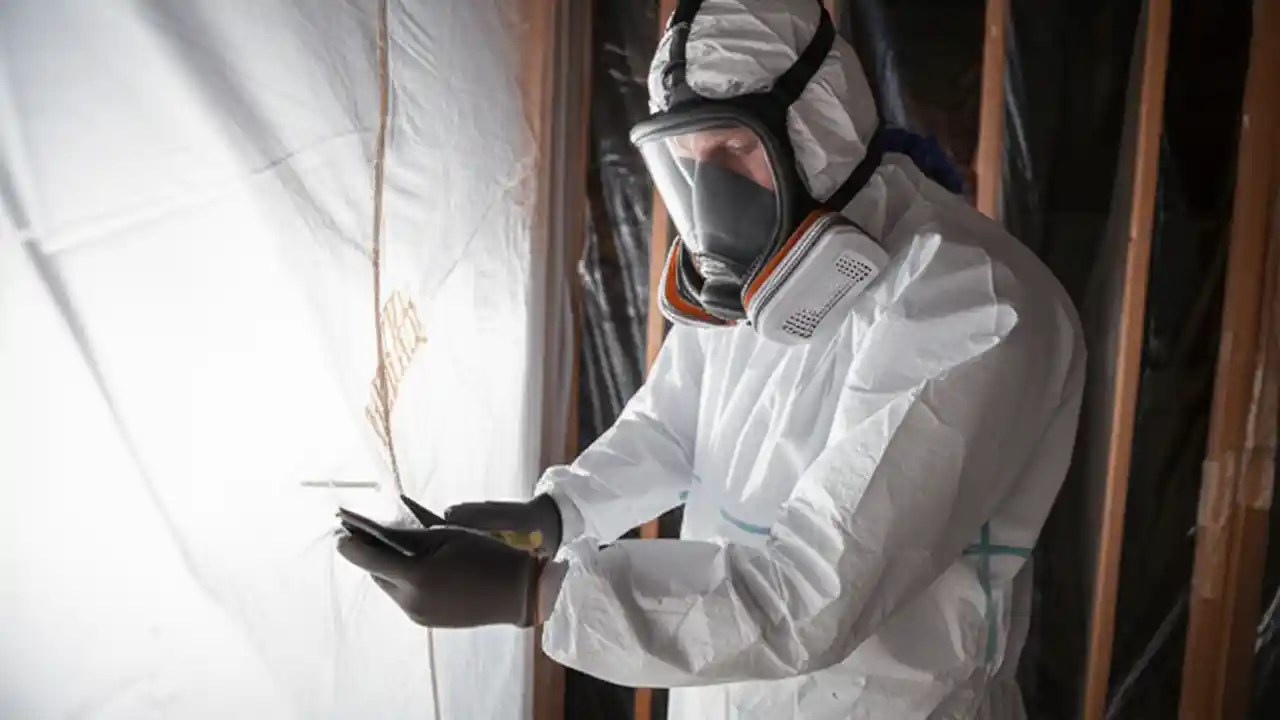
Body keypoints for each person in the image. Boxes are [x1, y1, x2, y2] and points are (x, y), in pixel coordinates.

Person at [337, 0, 1085, 717]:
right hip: (718, 690)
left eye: (732, 149)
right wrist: (557, 516)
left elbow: (809, 593)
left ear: (818, 124)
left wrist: (536, 595)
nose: (710, 193)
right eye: (689, 160)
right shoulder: (768, 268)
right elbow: (674, 427)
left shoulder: (974, 303)